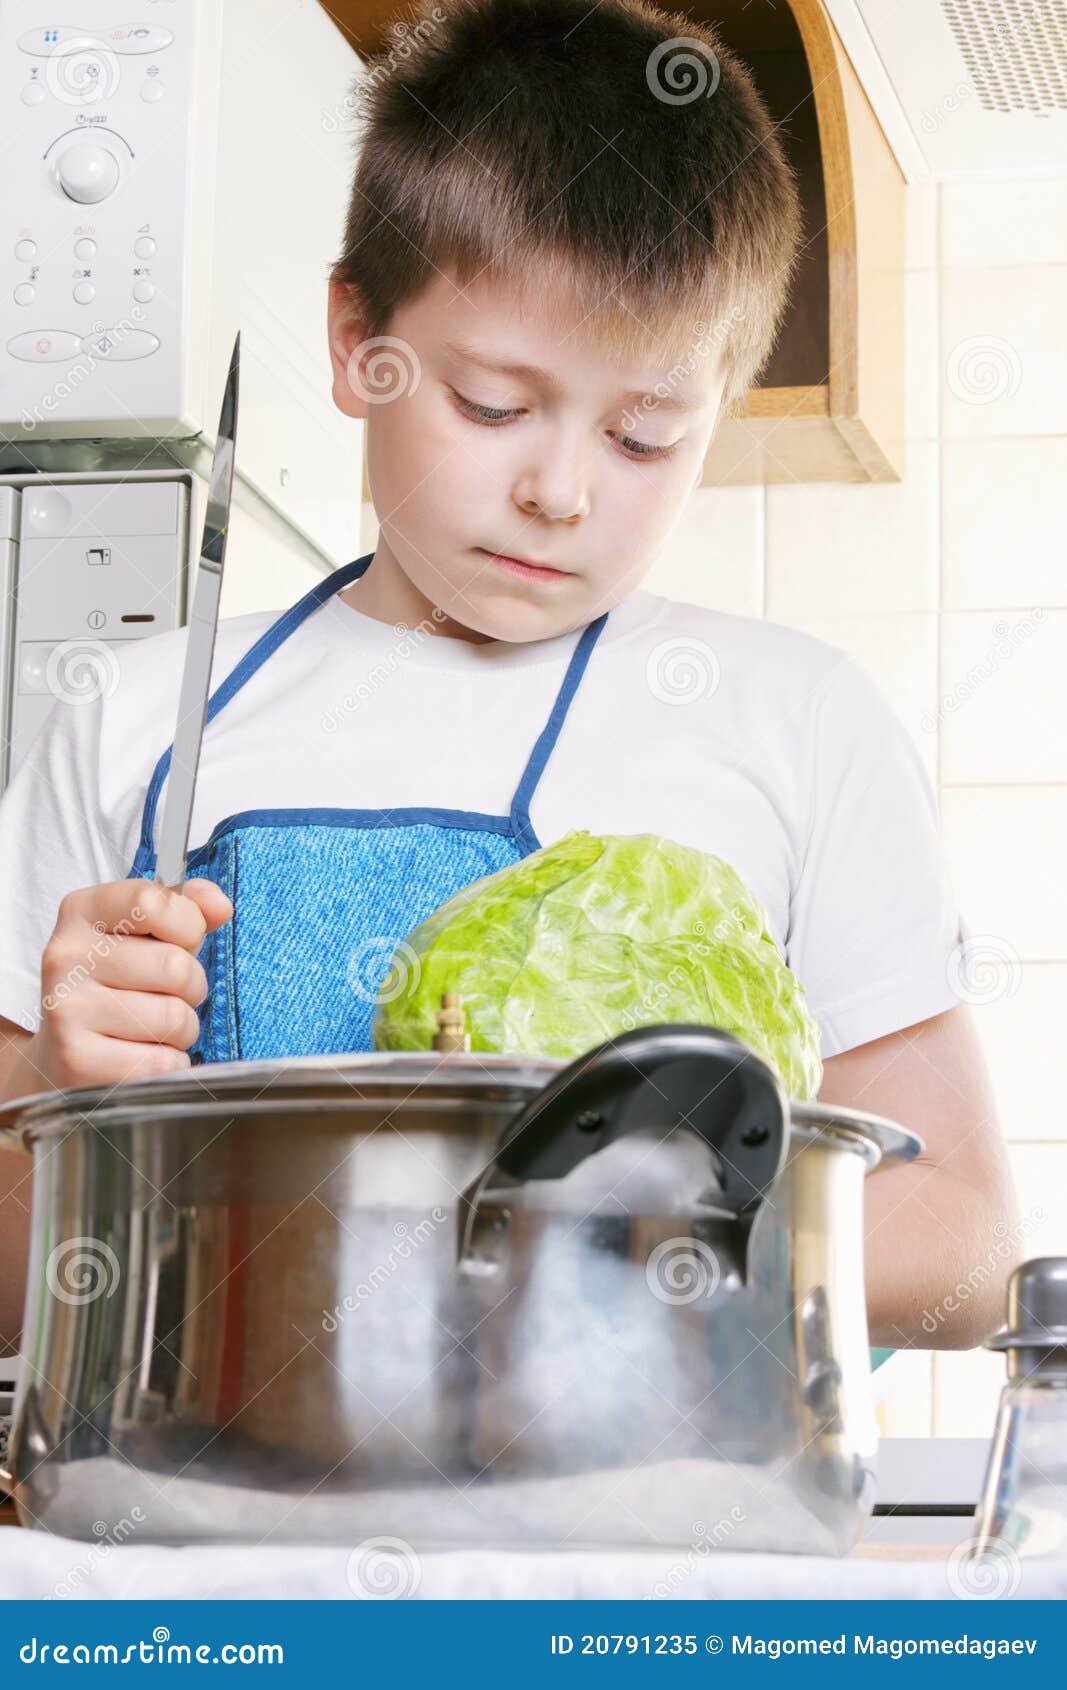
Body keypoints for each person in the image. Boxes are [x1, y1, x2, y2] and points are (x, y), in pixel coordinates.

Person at [0, 0, 1016, 1353]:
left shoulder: (799, 720)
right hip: (223, 1535)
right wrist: (69, 1103)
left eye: (647, 432)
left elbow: (968, 1245)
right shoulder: (129, 714)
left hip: (659, 1552)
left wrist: (644, 1220)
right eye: (491, 405)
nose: (560, 491)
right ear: (358, 338)